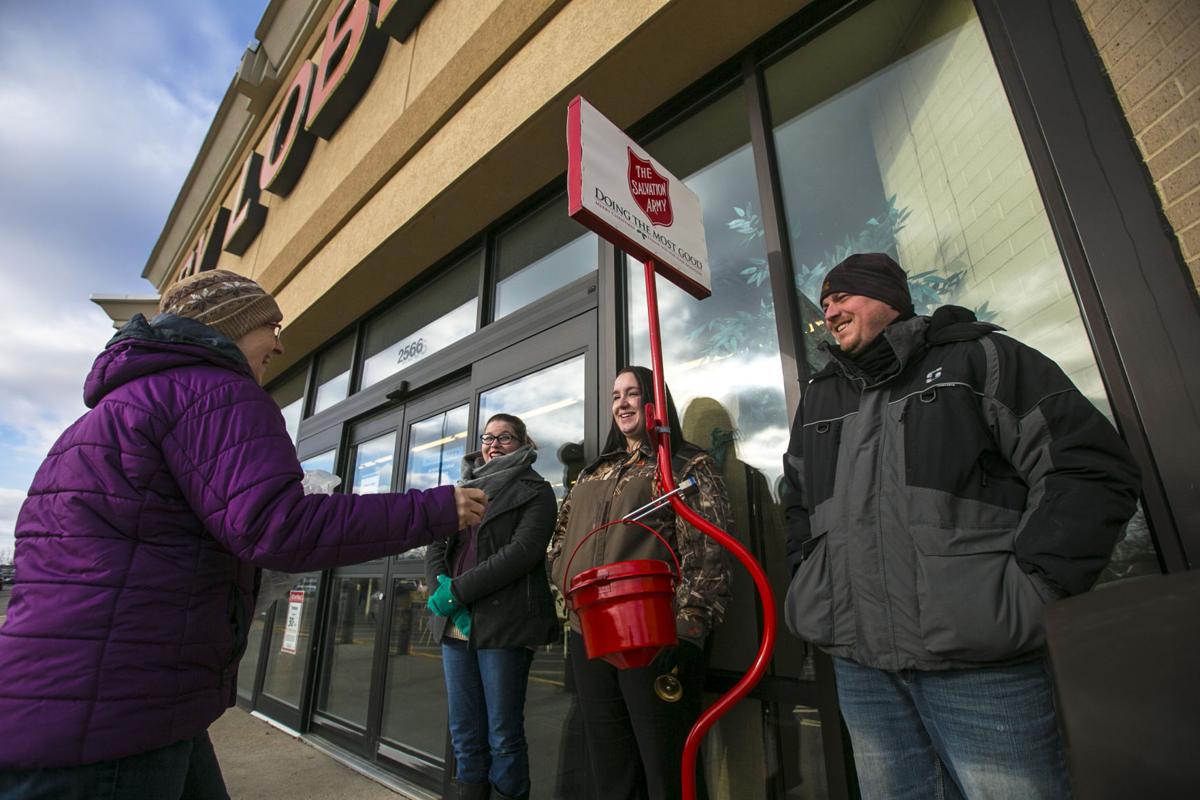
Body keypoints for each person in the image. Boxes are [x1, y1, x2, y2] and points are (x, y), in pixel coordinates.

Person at [0, 270, 487, 800]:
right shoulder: (216, 391)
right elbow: (279, 527)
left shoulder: (102, 419)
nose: (279, 344)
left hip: (74, 695)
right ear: (228, 325)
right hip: (118, 711)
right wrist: (437, 507)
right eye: (270, 326)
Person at [781, 253, 1140, 799]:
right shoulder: (820, 396)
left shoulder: (982, 360)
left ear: (889, 300)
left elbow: (1088, 466)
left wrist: (1031, 588)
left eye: (843, 297)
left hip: (980, 665)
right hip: (861, 670)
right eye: (825, 302)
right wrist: (811, 574)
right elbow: (797, 502)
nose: (829, 312)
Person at [548, 366, 733, 800]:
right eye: (616, 396)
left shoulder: (685, 464)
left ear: (654, 401)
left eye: (633, 393)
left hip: (653, 635)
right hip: (590, 634)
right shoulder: (594, 473)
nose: (622, 403)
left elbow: (709, 550)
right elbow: (558, 543)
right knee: (610, 769)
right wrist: (570, 592)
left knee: (666, 769)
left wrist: (686, 629)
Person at [424, 413, 559, 800]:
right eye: (488, 437)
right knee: (465, 733)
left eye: (506, 437)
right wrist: (440, 589)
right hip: (454, 627)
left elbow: (521, 553)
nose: (494, 444)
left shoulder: (536, 490)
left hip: (504, 625)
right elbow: (437, 545)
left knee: (503, 736)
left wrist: (457, 592)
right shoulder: (462, 490)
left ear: (523, 444)